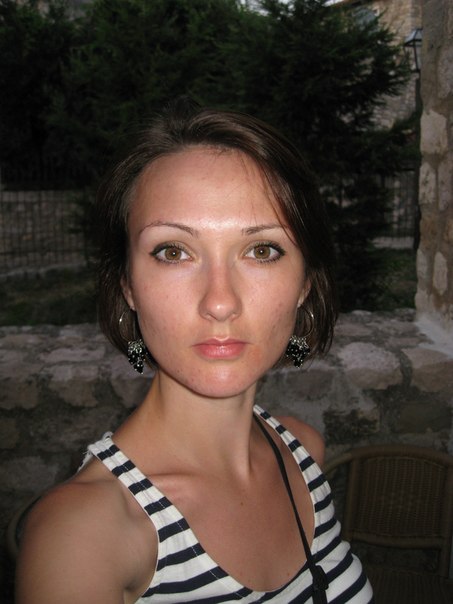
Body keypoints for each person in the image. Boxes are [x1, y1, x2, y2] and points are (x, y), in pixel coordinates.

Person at [16, 100, 373, 603]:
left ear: (305, 284)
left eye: (261, 250)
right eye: (173, 252)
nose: (220, 302)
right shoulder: (84, 535)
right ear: (128, 286)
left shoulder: (302, 450)